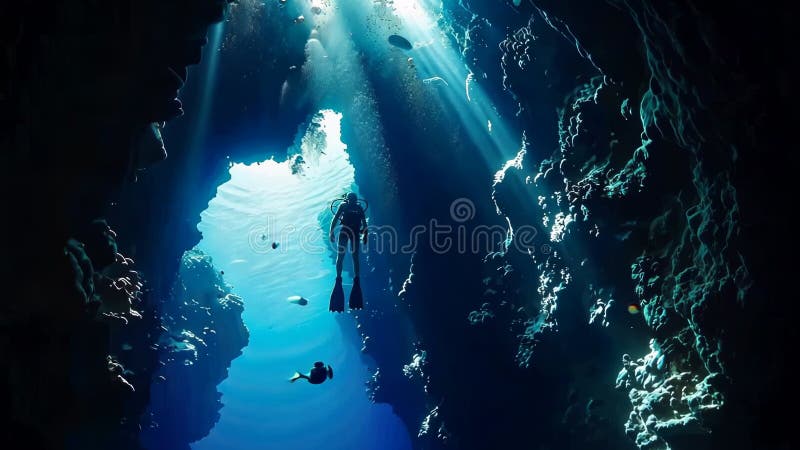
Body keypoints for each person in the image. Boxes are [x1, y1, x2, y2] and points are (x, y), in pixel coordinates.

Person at [329, 193, 367, 312]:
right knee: (347, 257)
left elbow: (335, 220)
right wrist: (331, 232)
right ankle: (348, 278)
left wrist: (366, 234)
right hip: (350, 232)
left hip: (349, 232)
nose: (351, 202)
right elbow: (364, 224)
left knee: (347, 257)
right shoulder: (352, 207)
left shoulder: (348, 206)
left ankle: (348, 279)